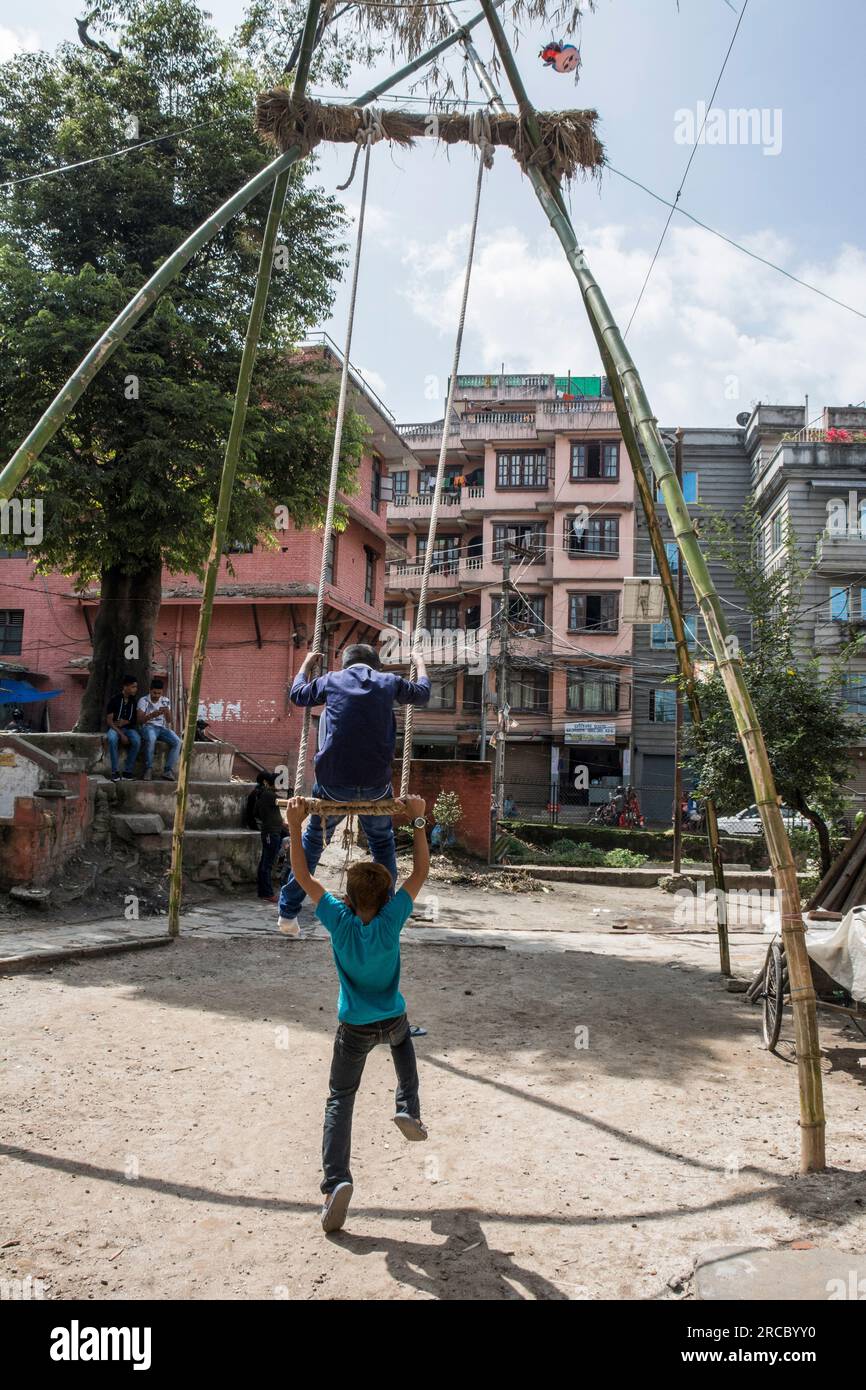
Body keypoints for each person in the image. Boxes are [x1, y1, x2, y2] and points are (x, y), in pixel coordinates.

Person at [284, 792, 431, 1234]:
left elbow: (302, 874)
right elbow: (421, 871)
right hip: (391, 1018)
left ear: (347, 897)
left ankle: (337, 1181)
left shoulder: (338, 919)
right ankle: (407, 1105)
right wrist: (418, 821)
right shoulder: (392, 918)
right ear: (388, 898)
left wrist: (295, 826)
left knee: (339, 1100)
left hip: (353, 1025)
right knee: (404, 1044)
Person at [276, 642, 430, 937]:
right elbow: (422, 693)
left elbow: (297, 695)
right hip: (375, 784)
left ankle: (288, 913)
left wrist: (306, 664)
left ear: (346, 665)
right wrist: (420, 662)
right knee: (382, 843)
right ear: (375, 666)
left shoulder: (331, 680)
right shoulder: (388, 682)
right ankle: (385, 913)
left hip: (333, 783)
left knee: (313, 843)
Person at [136, 676, 181, 782]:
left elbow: (169, 721)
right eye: (154, 693)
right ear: (150, 691)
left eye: (159, 693)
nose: (157, 696)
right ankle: (148, 769)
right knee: (151, 739)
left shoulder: (165, 701)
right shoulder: (143, 700)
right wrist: (152, 715)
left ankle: (168, 771)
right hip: (147, 727)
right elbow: (139, 720)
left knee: (177, 741)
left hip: (161, 728)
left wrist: (167, 712)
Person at [250, 770, 285, 902]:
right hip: (270, 833)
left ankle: (264, 891)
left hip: (272, 831)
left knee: (266, 862)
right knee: (267, 864)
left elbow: (258, 813)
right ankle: (266, 892)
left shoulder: (265, 795)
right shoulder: (268, 796)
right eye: (278, 782)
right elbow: (285, 802)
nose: (280, 785)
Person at [105, 675, 141, 781]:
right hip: (115, 728)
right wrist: (121, 734)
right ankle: (114, 771)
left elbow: (135, 719)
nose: (135, 689)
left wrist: (126, 721)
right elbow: (109, 721)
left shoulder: (134, 701)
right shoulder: (114, 700)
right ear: (125, 687)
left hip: (129, 729)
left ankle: (127, 772)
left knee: (137, 741)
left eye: (136, 687)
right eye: (133, 687)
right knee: (112, 739)